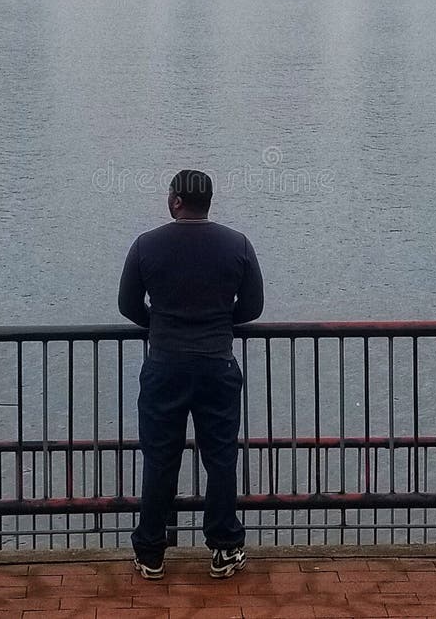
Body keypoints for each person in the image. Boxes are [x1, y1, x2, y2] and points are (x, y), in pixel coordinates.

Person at [118, 169, 264, 580]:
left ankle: (151, 551)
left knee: (159, 457)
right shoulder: (237, 245)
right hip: (217, 363)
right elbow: (252, 307)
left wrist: (159, 323)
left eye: (169, 195)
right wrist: (218, 322)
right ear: (209, 202)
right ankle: (223, 546)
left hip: (165, 364)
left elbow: (128, 304)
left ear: (177, 201)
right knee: (220, 458)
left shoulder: (146, 245)